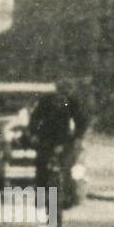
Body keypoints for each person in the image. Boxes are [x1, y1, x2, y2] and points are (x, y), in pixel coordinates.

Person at [29, 80, 89, 208]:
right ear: (56, 89)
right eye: (61, 90)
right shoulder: (46, 101)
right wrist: (34, 133)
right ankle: (40, 195)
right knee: (41, 165)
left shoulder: (73, 103)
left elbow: (82, 121)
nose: (64, 94)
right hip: (46, 137)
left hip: (65, 139)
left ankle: (70, 194)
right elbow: (35, 117)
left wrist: (77, 137)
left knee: (69, 167)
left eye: (67, 90)